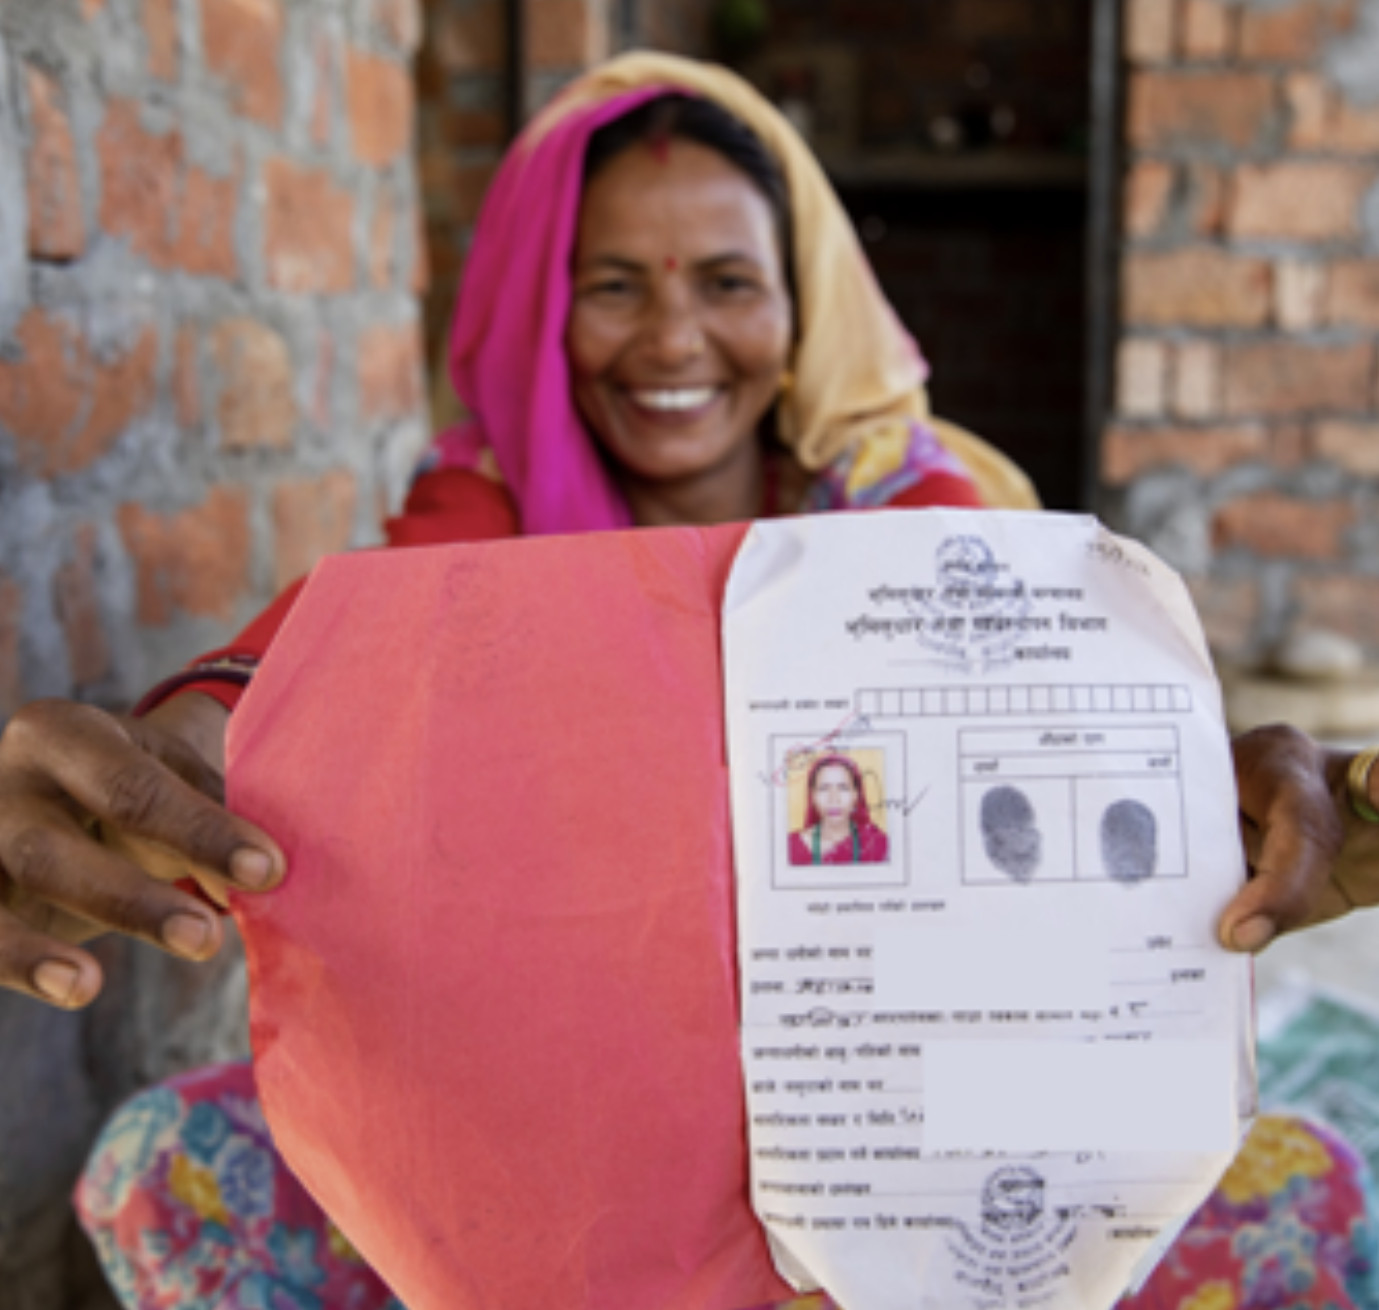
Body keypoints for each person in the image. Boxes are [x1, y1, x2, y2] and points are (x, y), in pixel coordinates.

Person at [0, 50, 1376, 1309]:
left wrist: (1213, 813)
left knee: (1300, 1183)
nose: (671, 339)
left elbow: (1062, 830)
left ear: (801, 303)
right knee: (166, 1161)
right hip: (553, 1154)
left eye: (725, 280)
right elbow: (299, 680)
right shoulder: (471, 546)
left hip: (908, 1149)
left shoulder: (939, 538)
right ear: (539, 309)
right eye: (610, 284)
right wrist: (169, 750)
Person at [789, 754, 889, 865]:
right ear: (812, 796)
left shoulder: (878, 844)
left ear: (856, 795)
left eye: (843, 788)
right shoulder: (790, 846)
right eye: (824, 788)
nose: (834, 799)